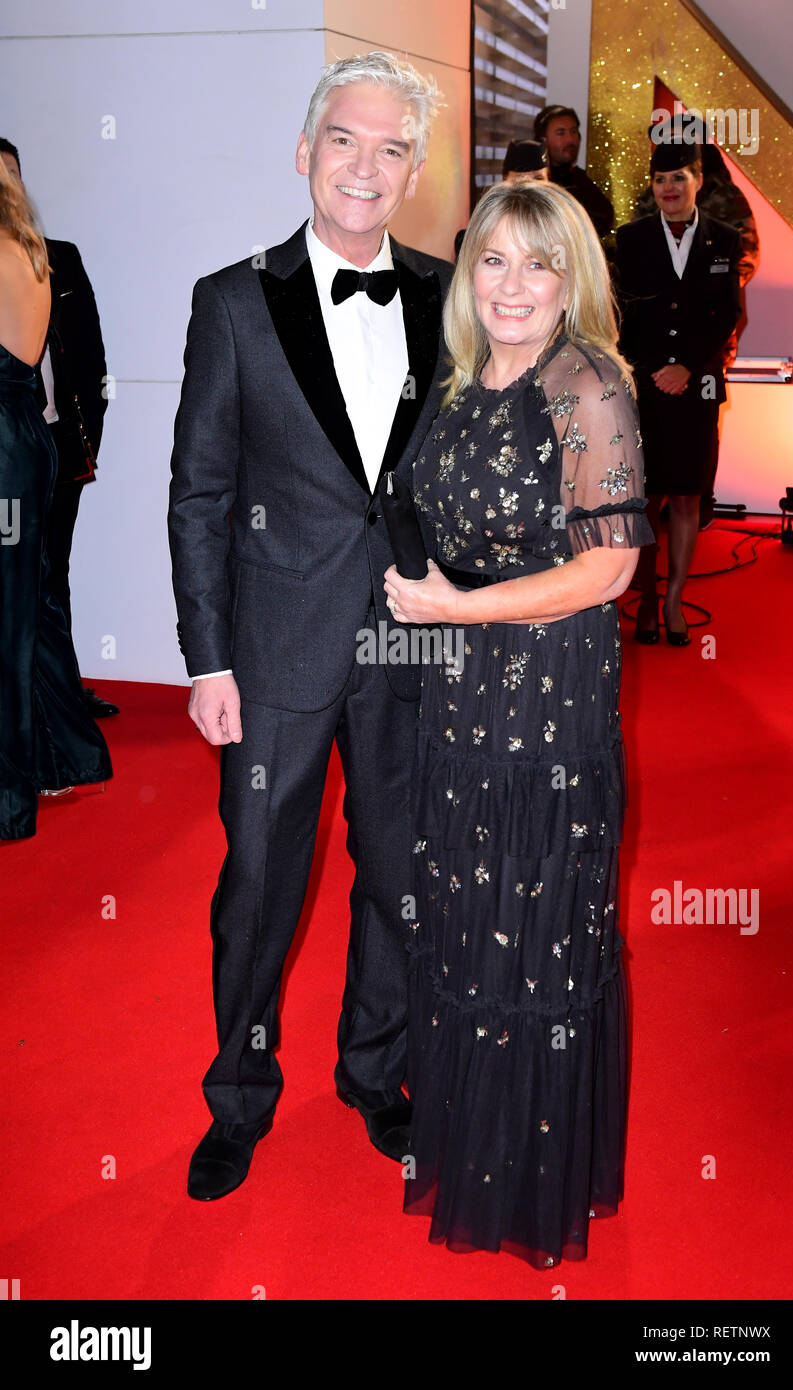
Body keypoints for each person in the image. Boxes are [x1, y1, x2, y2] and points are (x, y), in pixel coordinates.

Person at [168, 51, 454, 1202]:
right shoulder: (231, 300)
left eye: (392, 148)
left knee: (398, 874)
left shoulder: (449, 294)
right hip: (274, 648)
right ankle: (239, 1092)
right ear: (305, 150)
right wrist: (206, 658)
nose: (366, 166)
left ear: (415, 170)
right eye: (346, 139)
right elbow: (197, 490)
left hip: (406, 639)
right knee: (258, 890)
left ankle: (375, 1074)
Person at [384, 179, 654, 1267]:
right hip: (461, 701)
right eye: (492, 259)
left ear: (569, 279)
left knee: (535, 934)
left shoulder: (583, 383)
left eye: (537, 265)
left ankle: (531, 1184)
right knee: (465, 916)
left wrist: (457, 606)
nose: (510, 284)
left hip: (545, 704)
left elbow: (611, 566)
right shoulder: (461, 381)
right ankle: (472, 1144)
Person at [0, 160, 112, 840]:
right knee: (29, 602)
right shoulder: (32, 254)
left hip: (5, 451)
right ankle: (60, 753)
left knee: (11, 614)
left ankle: (11, 794)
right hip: (24, 444)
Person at [615, 139, 742, 643]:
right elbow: (620, 313)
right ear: (653, 186)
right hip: (646, 385)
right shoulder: (630, 238)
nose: (669, 187)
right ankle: (645, 598)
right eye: (660, 179)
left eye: (679, 177)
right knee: (646, 497)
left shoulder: (725, 239)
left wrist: (688, 366)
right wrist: (651, 370)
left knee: (687, 495)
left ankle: (673, 603)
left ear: (698, 182)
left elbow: (727, 313)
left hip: (697, 386)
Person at [533, 104, 613, 238]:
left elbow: (605, 218)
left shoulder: (580, 180)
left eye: (573, 131)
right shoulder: (532, 181)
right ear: (543, 140)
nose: (570, 140)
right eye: (561, 133)